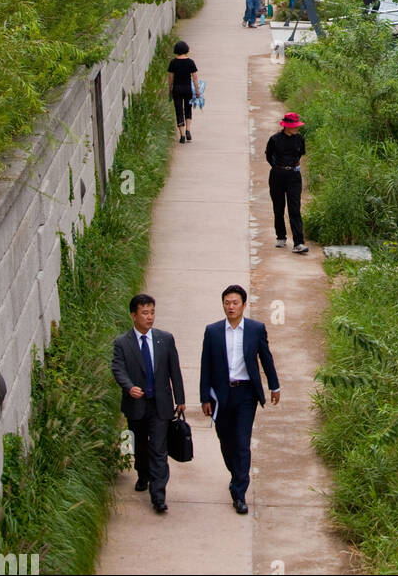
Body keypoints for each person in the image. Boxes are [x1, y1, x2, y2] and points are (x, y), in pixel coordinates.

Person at [200, 285, 280, 514]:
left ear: (244, 305)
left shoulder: (255, 329)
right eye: (227, 302)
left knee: (242, 442)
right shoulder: (213, 331)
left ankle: (239, 493)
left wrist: (274, 386)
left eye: (235, 302)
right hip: (221, 394)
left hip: (246, 393)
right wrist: (205, 396)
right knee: (226, 441)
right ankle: (236, 474)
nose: (231, 306)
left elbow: (266, 359)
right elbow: (206, 365)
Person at [111, 293, 186, 514]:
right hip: (136, 405)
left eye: (152, 312)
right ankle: (142, 473)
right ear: (134, 315)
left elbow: (175, 370)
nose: (150, 317)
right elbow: (118, 368)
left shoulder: (165, 339)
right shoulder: (122, 343)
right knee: (139, 445)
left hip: (160, 405)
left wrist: (180, 399)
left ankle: (158, 496)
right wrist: (128, 386)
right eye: (145, 313)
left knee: (158, 449)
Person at [265, 113, 308, 253]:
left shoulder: (299, 139)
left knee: (294, 209)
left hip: (294, 177)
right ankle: (281, 237)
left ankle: (298, 243)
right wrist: (278, 167)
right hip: (277, 175)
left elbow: (301, 153)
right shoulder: (275, 139)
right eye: (294, 127)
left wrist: (292, 166)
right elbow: (269, 156)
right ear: (287, 127)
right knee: (278, 208)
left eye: (297, 126)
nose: (296, 129)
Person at [167, 40, 199, 143]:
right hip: (187, 89)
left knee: (179, 110)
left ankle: (182, 135)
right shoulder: (190, 62)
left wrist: (170, 89)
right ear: (186, 49)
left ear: (176, 50)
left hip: (177, 89)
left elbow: (171, 78)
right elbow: (194, 78)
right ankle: (188, 130)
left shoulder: (173, 62)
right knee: (188, 109)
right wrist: (197, 90)